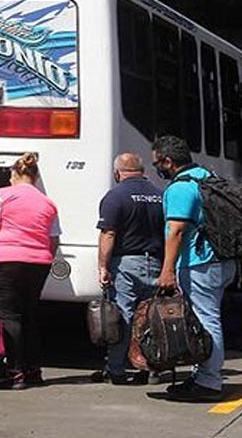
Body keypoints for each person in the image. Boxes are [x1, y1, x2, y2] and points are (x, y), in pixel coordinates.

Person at [152, 135, 236, 402]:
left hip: (200, 263)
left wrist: (167, 271)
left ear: (167, 161)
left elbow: (175, 231)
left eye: (158, 163)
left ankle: (209, 382)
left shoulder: (180, 188)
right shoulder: (207, 176)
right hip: (222, 260)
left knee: (207, 319)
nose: (157, 167)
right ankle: (201, 376)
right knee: (204, 319)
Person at [0, 152, 61, 390]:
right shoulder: (48, 202)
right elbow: (53, 239)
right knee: (29, 316)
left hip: (6, 260)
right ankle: (33, 371)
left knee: (10, 316)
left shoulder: (1, 195)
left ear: (14, 174)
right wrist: (43, 258)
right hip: (39, 262)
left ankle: (14, 373)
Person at [93, 153, 164, 385]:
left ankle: (116, 370)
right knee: (151, 318)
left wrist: (103, 266)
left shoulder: (115, 196)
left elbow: (109, 233)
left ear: (117, 173)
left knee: (122, 317)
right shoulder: (159, 195)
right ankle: (152, 368)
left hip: (126, 264)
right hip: (156, 262)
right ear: (142, 171)